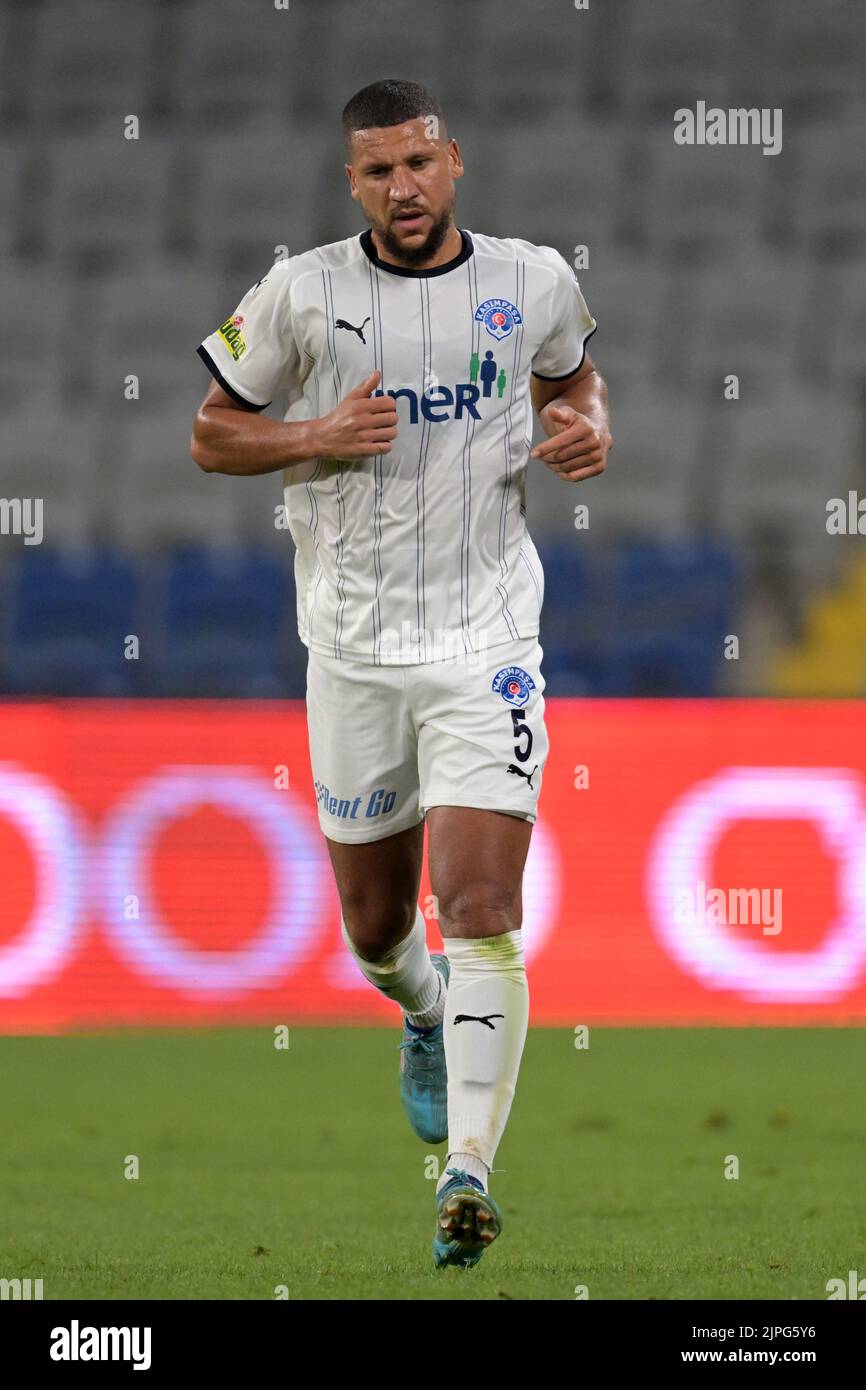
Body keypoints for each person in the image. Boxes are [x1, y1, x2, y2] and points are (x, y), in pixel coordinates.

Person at [190, 78, 611, 1269]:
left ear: (454, 161)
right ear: (352, 183)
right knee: (377, 931)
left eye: (417, 163)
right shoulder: (301, 292)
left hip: (487, 644)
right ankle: (422, 1011)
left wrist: (590, 427)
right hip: (354, 651)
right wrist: (312, 436)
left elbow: (571, 382)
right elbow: (211, 433)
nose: (402, 187)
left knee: (480, 909)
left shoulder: (531, 280)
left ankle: (466, 1172)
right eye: (376, 171)